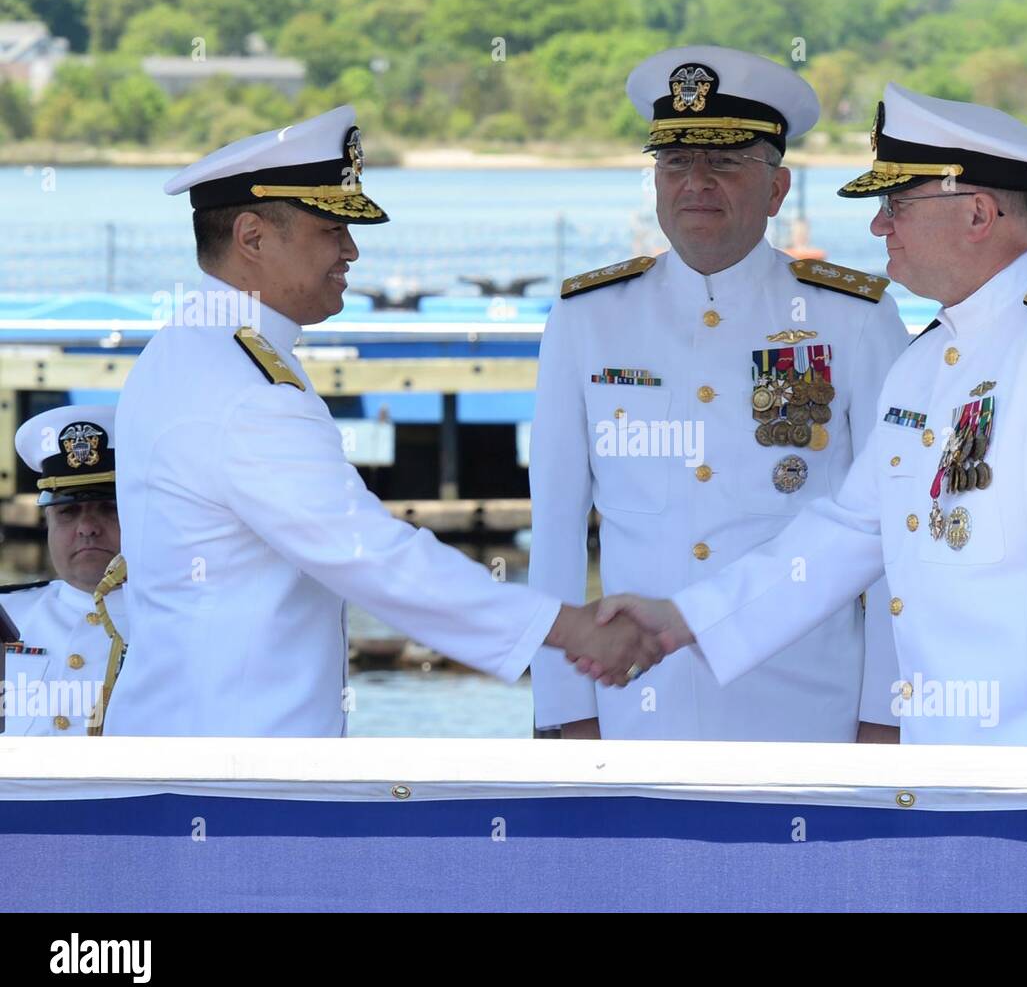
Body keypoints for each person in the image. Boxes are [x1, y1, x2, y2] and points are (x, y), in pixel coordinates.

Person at [586, 83, 1027, 750]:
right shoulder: (926, 362)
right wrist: (681, 620)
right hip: (953, 779)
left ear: (978, 213)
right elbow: (845, 534)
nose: (878, 226)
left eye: (896, 203)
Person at [105, 105, 659, 736]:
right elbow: (370, 556)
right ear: (252, 238)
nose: (351, 249)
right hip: (232, 779)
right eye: (331, 228)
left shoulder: (191, 348)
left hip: (202, 753)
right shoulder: (246, 388)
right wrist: (567, 628)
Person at [528, 46, 908, 742]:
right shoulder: (588, 316)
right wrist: (562, 711)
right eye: (675, 163)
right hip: (637, 702)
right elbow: (553, 530)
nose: (696, 182)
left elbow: (888, 535)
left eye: (726, 162)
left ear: (777, 189)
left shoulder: (856, 317)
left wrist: (884, 715)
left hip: (805, 703)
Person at [2, 405, 124, 735]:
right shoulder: (8, 615)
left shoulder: (177, 619)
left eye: (108, 508)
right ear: (48, 525)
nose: (87, 527)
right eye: (68, 512)